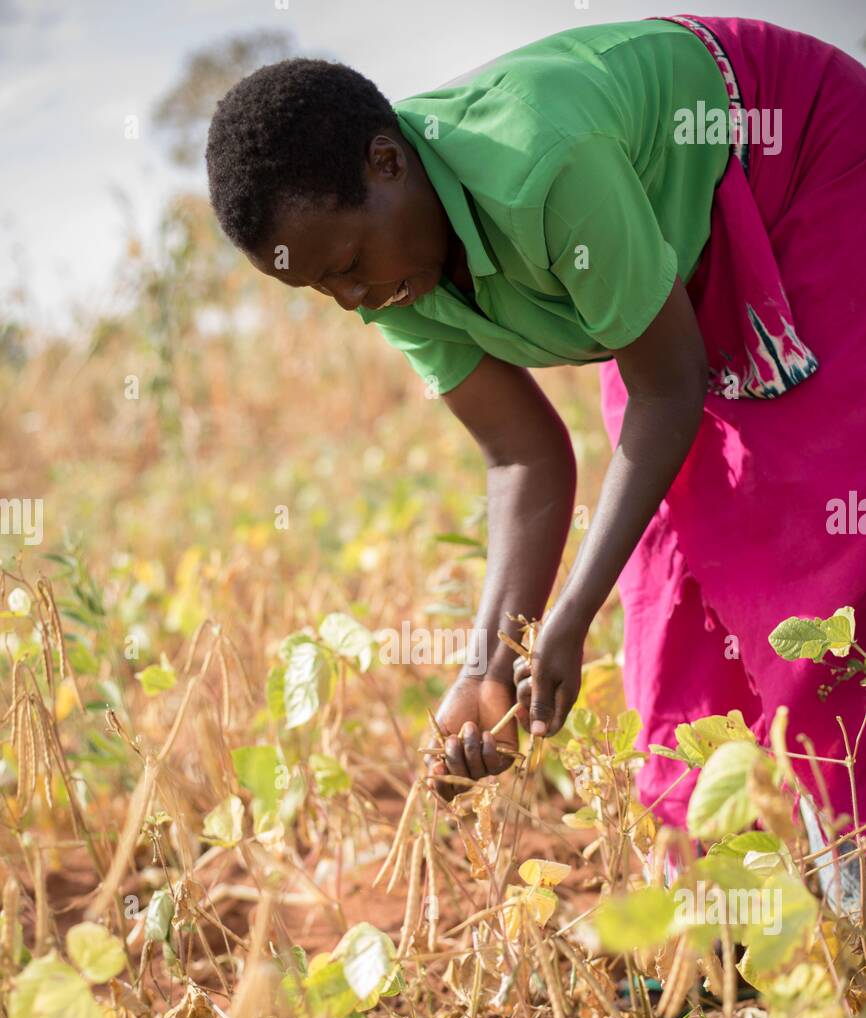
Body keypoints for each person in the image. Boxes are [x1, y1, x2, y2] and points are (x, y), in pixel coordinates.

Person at [206, 16, 866, 862]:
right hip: (666, 267)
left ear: (387, 162)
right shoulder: (392, 275)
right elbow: (522, 454)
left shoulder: (541, 163)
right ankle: (728, 908)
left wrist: (570, 612)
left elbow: (670, 387)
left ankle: (847, 875)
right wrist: (487, 669)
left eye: (345, 265)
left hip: (798, 165)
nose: (349, 300)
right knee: (671, 581)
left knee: (799, 539)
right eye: (321, 287)